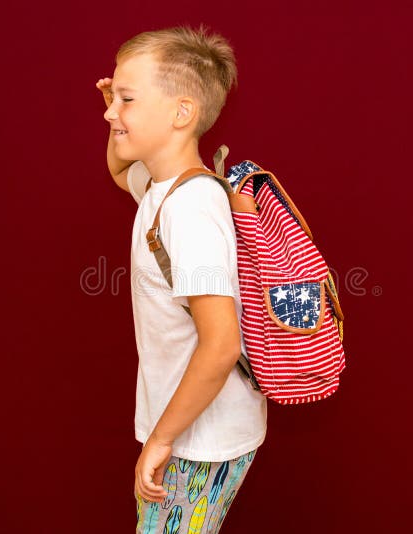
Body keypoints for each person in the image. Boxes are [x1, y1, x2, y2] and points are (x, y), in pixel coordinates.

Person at [96, 25, 267, 532]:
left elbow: (220, 343)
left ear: (181, 113)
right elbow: (119, 171)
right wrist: (120, 121)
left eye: (126, 98)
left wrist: (162, 439)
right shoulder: (163, 186)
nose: (109, 109)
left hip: (198, 438)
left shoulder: (191, 210)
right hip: (187, 427)